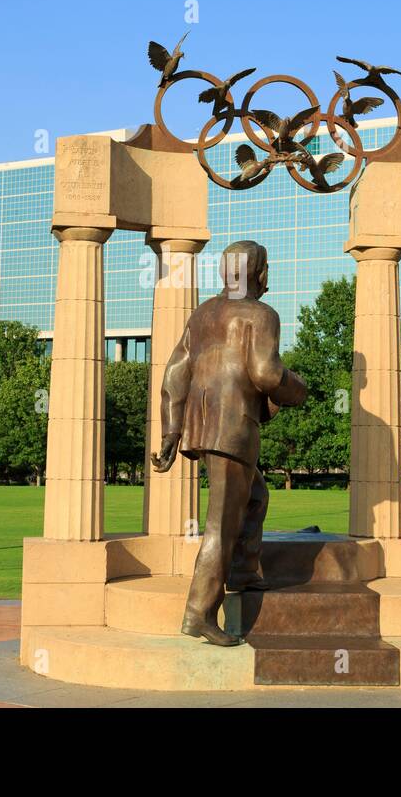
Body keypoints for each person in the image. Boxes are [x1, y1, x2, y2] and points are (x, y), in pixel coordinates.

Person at [152, 240, 307, 647]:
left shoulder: (203, 314)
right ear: (257, 272)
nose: (266, 276)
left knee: (255, 497)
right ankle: (199, 612)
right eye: (265, 268)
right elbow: (267, 373)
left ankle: (243, 571)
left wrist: (172, 430)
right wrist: (298, 389)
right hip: (233, 428)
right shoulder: (261, 315)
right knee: (221, 522)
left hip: (204, 428)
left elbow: (175, 372)